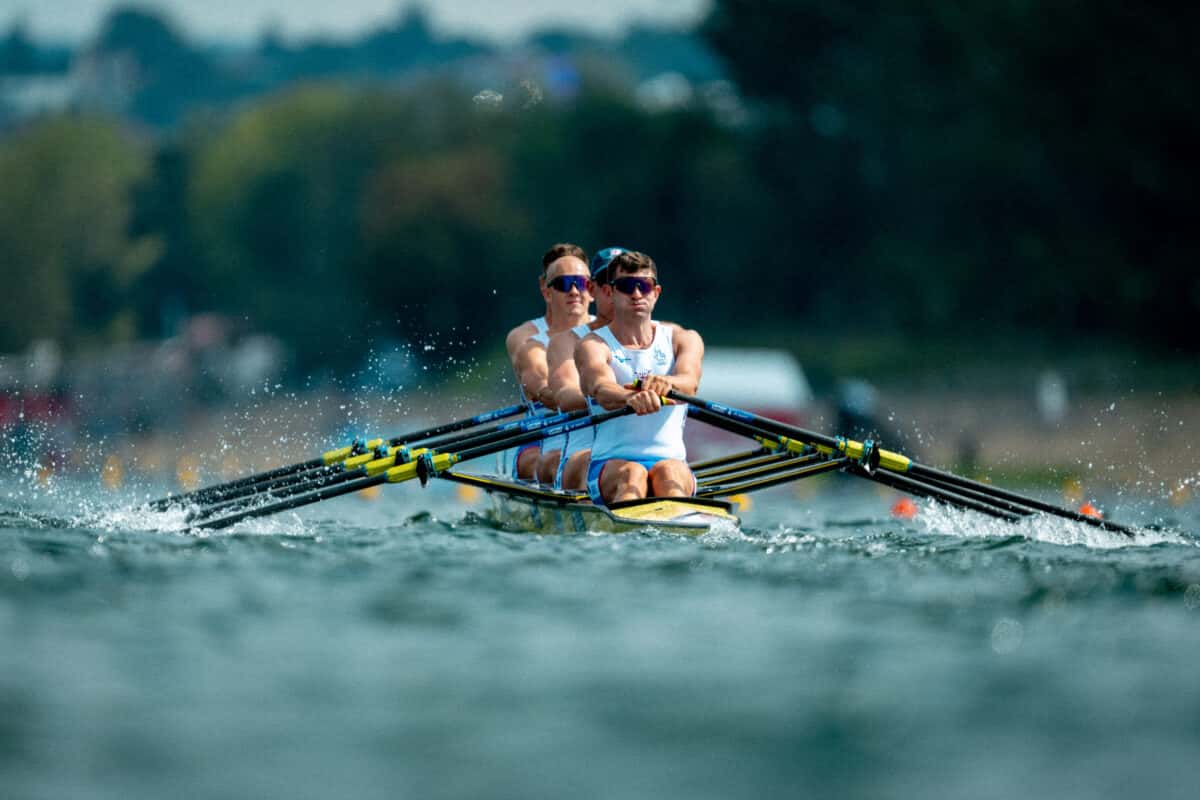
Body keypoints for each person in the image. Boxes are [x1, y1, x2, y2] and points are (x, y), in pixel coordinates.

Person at [576, 250, 704, 504]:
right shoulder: (593, 345)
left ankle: (674, 528)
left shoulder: (683, 339)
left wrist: (668, 384)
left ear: (655, 293)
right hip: (610, 463)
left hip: (671, 461)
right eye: (626, 286)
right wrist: (630, 398)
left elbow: (689, 384)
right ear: (610, 293)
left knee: (669, 474)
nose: (636, 295)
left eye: (643, 286)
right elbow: (600, 388)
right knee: (632, 475)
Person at [503, 243, 592, 480]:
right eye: (563, 283)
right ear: (546, 288)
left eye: (580, 281)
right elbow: (547, 391)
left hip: (598, 428)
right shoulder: (526, 339)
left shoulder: (608, 330)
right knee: (544, 463)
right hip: (543, 433)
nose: (573, 290)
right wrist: (608, 395)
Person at [538, 246, 625, 488]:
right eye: (607, 282)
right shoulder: (566, 342)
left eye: (625, 283)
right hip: (584, 456)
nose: (615, 289)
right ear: (594, 289)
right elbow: (566, 397)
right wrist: (624, 396)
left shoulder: (667, 335)